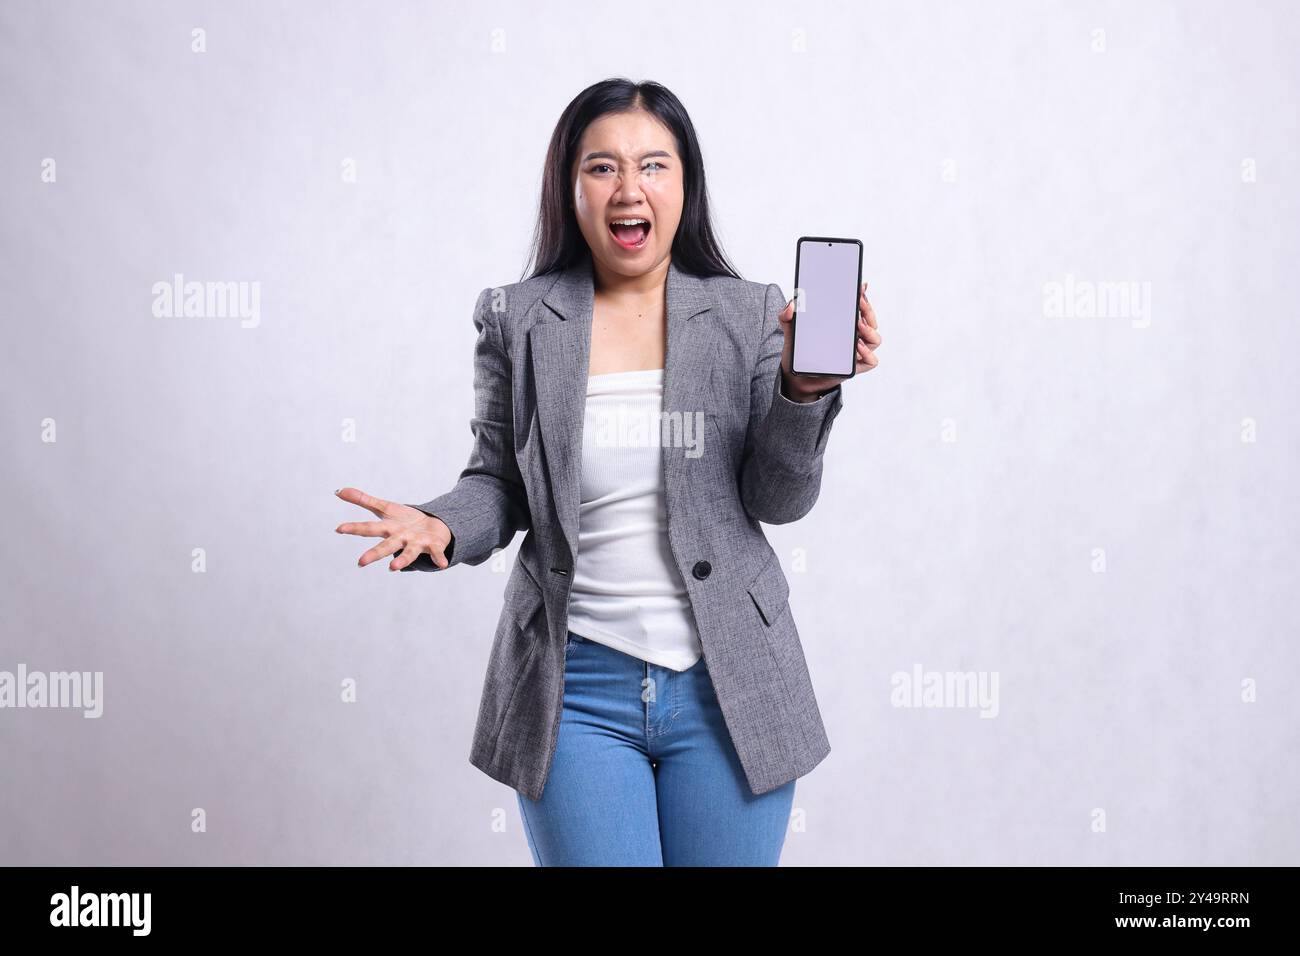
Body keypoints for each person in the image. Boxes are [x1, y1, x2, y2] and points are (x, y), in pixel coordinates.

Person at [335, 78, 882, 865]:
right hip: (573, 690)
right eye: (602, 167)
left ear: (685, 186)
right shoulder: (515, 317)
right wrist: (445, 525)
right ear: (570, 187)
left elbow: (780, 498)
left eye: (654, 166)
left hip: (729, 688)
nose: (630, 189)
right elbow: (498, 482)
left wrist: (804, 391)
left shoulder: (751, 314)